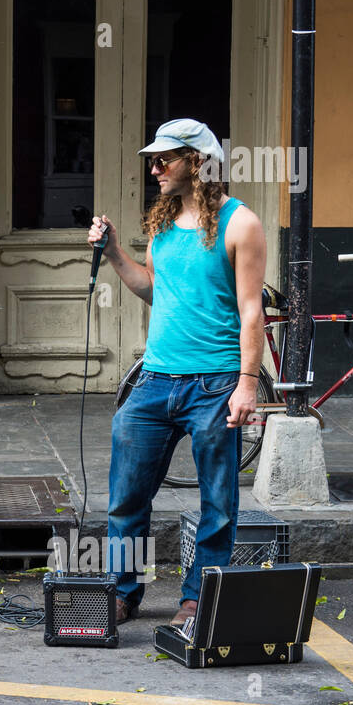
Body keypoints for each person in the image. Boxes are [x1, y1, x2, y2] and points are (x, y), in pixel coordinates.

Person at [89, 118, 266, 628]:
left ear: (198, 161)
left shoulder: (241, 224)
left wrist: (246, 385)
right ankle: (124, 592)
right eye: (154, 159)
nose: (155, 167)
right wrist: (114, 251)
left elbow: (251, 311)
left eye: (165, 158)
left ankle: (198, 596)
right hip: (154, 380)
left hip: (214, 383)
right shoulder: (162, 225)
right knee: (126, 496)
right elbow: (152, 289)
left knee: (219, 501)